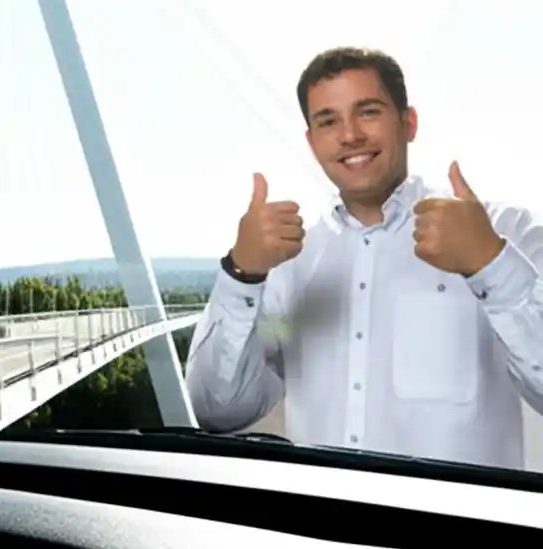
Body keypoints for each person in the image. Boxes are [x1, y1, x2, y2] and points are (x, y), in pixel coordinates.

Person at [184, 46, 543, 470]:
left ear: (408, 122)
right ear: (312, 140)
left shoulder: (506, 231)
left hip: (457, 533)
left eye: (368, 112)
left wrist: (490, 264)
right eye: (328, 121)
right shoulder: (290, 262)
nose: (350, 135)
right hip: (319, 531)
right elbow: (217, 411)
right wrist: (241, 274)